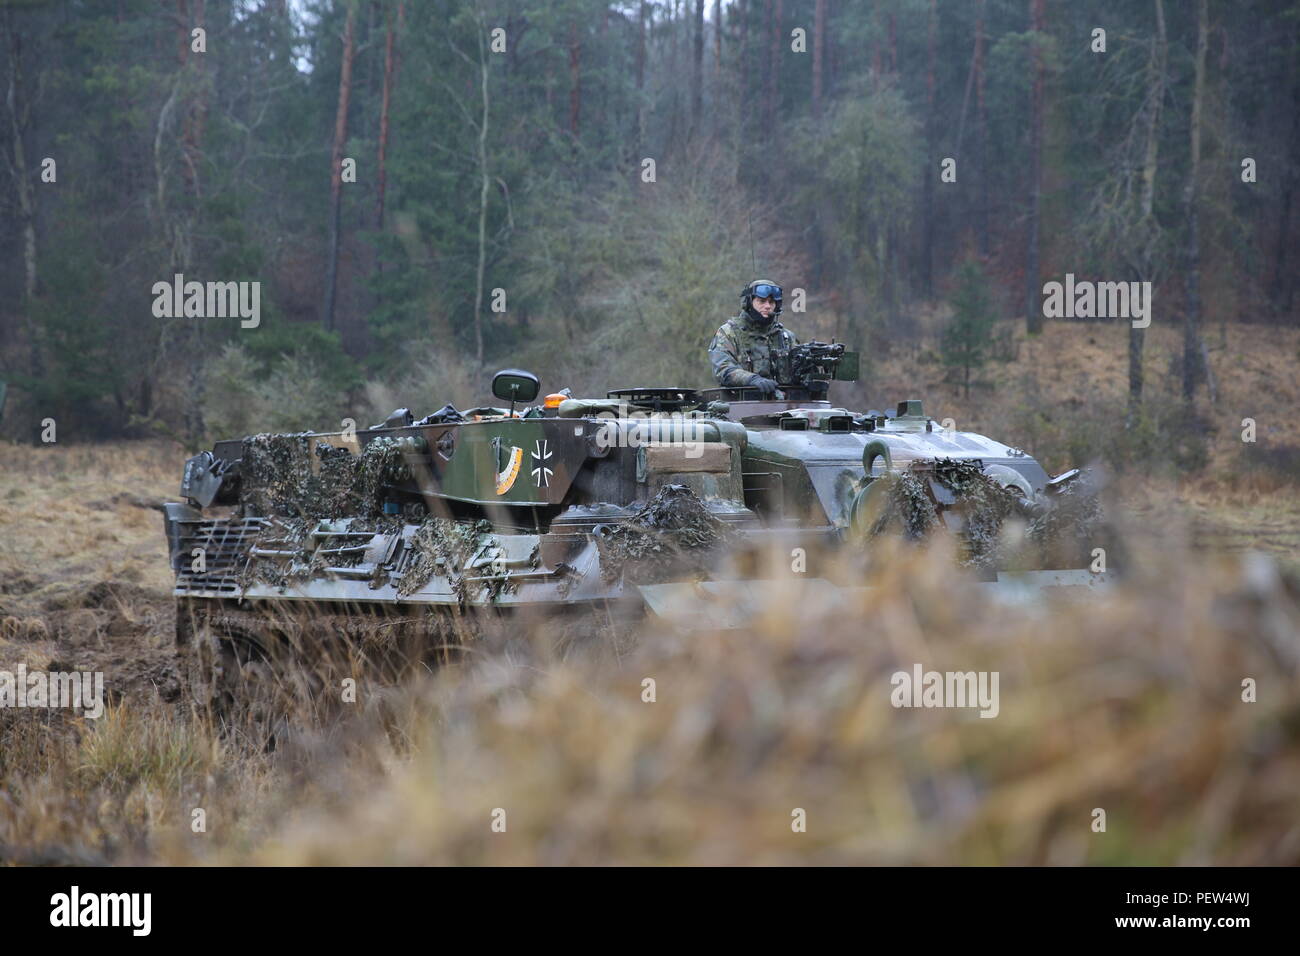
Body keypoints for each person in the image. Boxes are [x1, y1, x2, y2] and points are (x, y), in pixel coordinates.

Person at [707, 279, 798, 397]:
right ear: (749, 302)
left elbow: (798, 372)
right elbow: (723, 369)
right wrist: (752, 379)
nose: (767, 306)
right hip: (741, 405)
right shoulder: (729, 333)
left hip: (785, 405)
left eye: (771, 302)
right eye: (762, 301)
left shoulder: (786, 337)